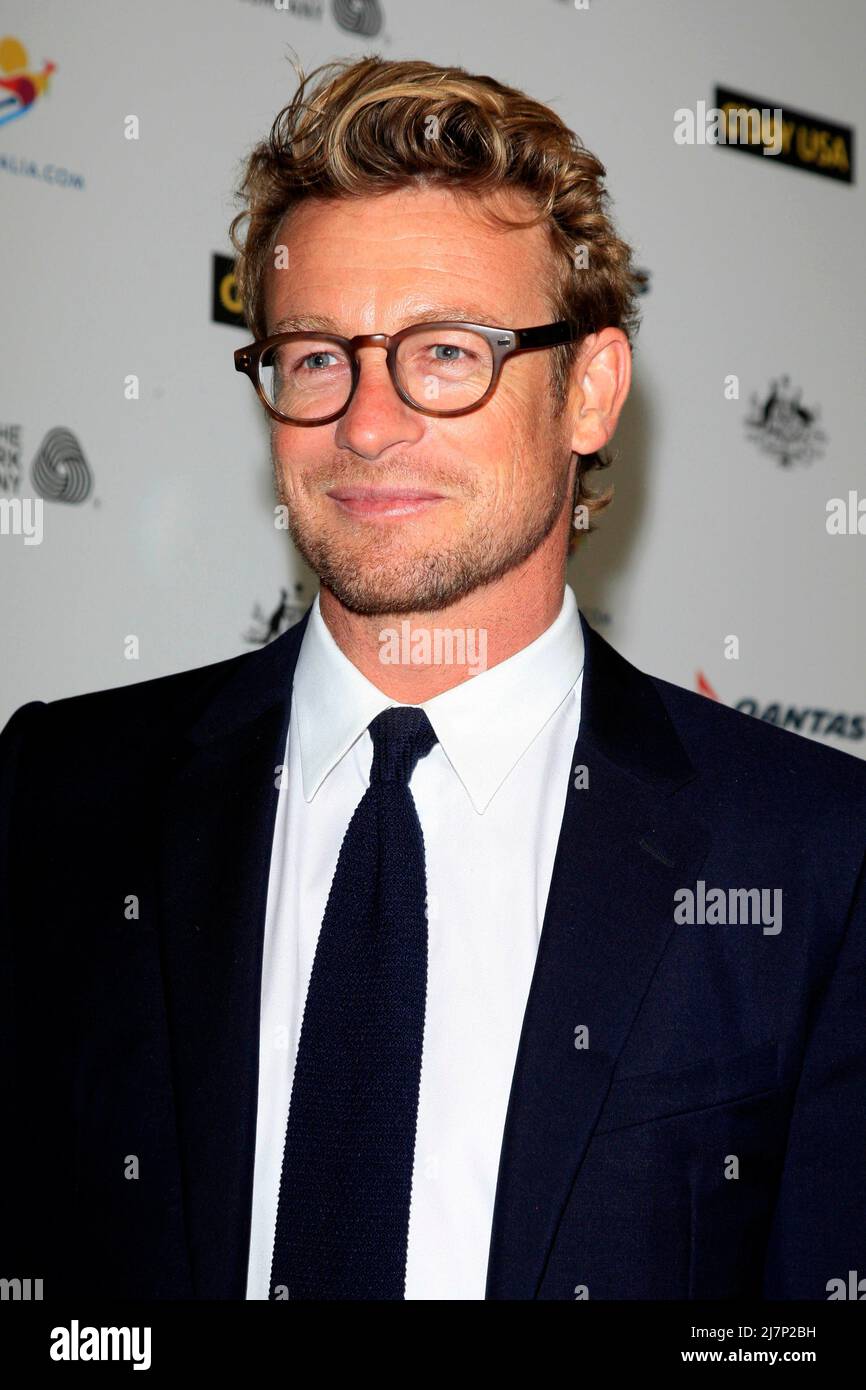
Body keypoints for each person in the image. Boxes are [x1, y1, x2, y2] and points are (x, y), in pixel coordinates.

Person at [1, 55, 864, 1303]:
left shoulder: (811, 859)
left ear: (589, 391)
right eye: (312, 357)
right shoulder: (58, 798)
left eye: (447, 353)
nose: (363, 422)